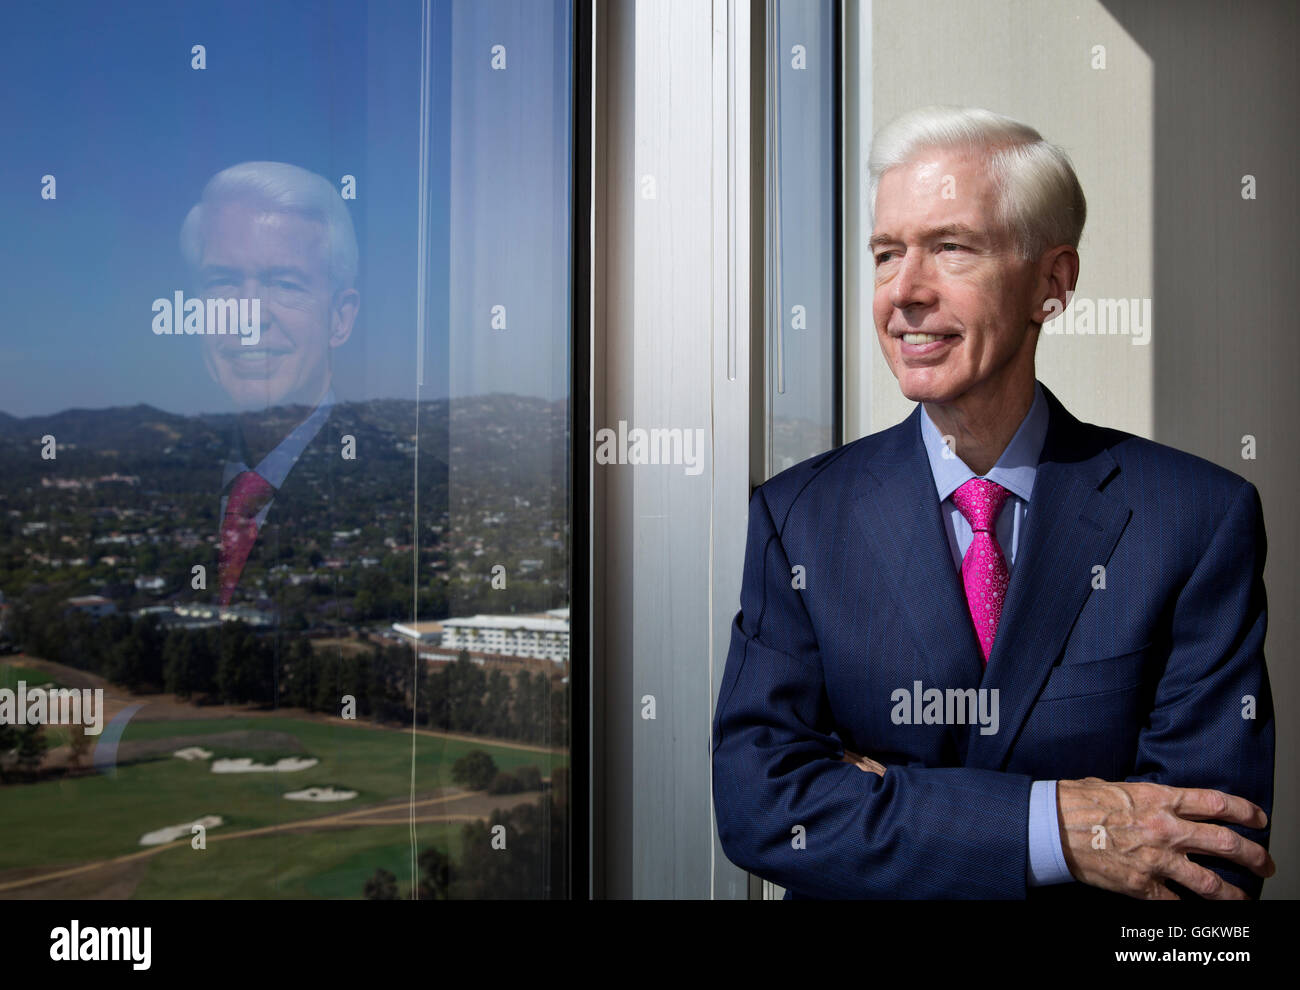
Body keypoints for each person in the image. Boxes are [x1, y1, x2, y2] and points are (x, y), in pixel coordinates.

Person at [711, 106, 1275, 900]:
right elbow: (762, 806)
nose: (903, 292)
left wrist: (885, 793)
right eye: (885, 254)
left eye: (950, 248)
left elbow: (1206, 859)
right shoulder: (798, 518)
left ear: (1053, 283)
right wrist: (1054, 825)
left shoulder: (1196, 519)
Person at [179, 161, 359, 609]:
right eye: (222, 282)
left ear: (340, 317)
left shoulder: (423, 491)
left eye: (284, 282)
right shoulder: (157, 478)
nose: (249, 315)